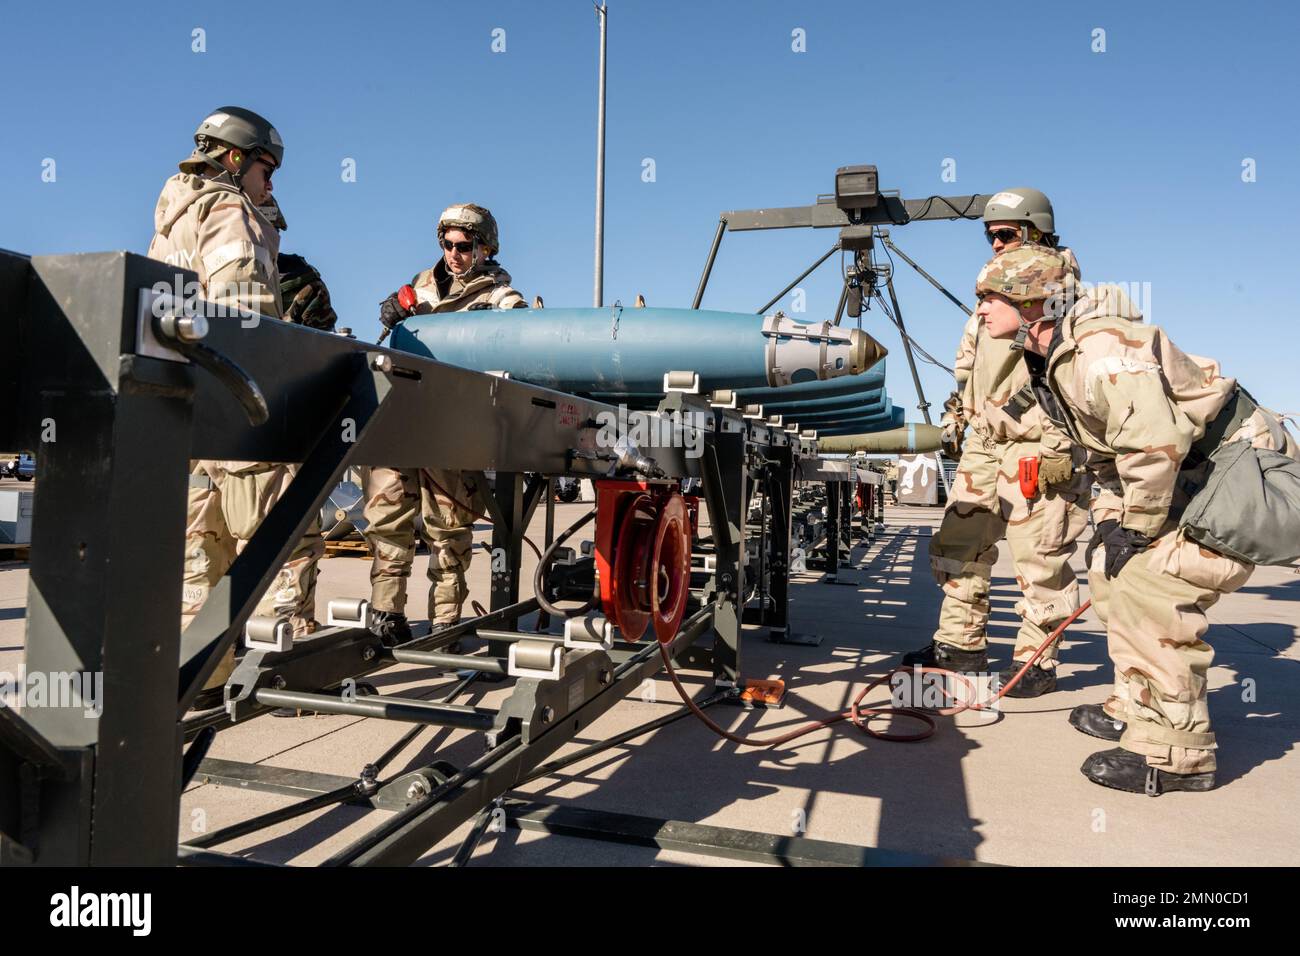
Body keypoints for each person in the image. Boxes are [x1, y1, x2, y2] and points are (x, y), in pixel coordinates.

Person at [981, 245, 1298, 793]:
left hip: (1237, 477)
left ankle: (1175, 754)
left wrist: (1140, 527)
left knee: (1153, 584)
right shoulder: (1053, 357)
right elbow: (1105, 455)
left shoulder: (1100, 348)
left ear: (1031, 301)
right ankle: (1138, 706)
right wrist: (1114, 523)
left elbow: (1154, 444)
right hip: (1187, 479)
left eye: (991, 297)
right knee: (1110, 569)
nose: (981, 310)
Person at [147, 107, 324, 710]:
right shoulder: (228, 208)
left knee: (202, 551)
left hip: (187, 413)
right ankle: (292, 667)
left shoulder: (171, 217)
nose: (270, 183)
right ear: (233, 159)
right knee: (287, 535)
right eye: (265, 169)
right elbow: (245, 319)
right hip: (240, 411)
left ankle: (204, 677)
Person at [903, 189, 1090, 697]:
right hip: (984, 442)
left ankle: (1036, 663)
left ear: (1036, 232)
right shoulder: (994, 298)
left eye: (1005, 235)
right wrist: (956, 415)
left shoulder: (1061, 295)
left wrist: (1057, 447)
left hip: (1037, 442)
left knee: (1040, 556)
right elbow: (969, 370)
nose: (995, 244)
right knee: (959, 546)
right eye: (990, 236)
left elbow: (1069, 376)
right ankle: (960, 647)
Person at [363, 204, 526, 646]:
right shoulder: (419, 289)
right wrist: (393, 310)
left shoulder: (499, 298)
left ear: (485, 249)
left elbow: (522, 341)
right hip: (403, 418)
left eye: (465, 246)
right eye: (448, 244)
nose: (454, 254)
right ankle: (386, 613)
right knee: (387, 519)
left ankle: (444, 623)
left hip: (452, 426)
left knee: (449, 530)